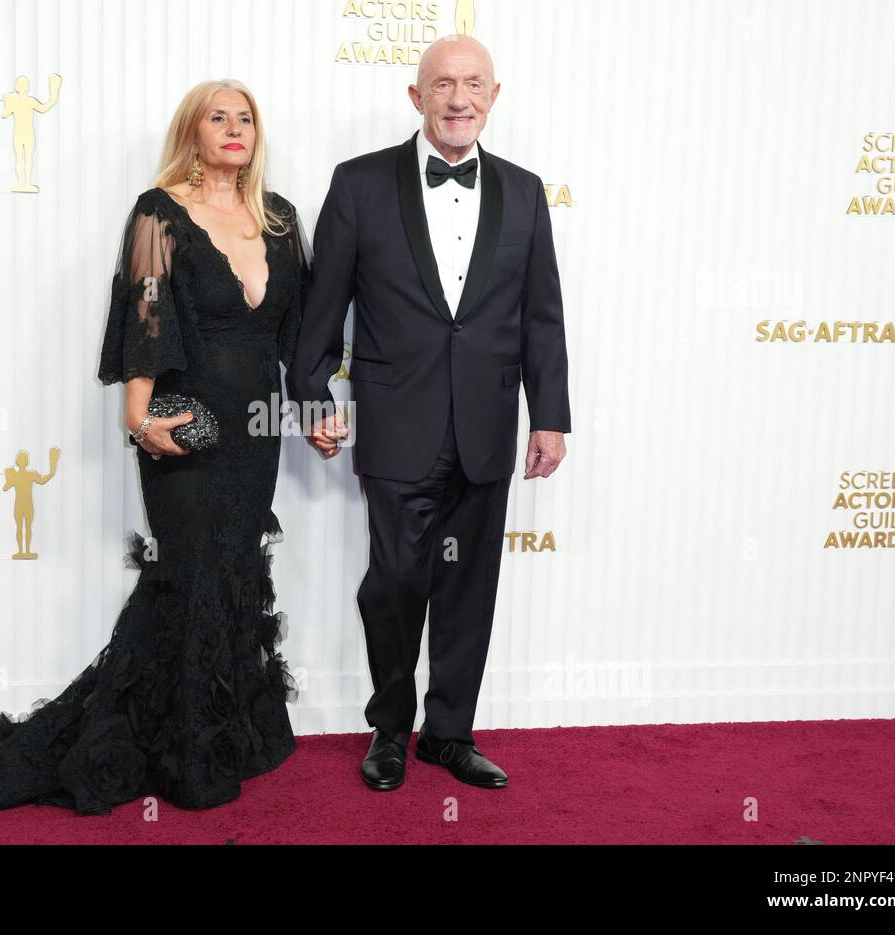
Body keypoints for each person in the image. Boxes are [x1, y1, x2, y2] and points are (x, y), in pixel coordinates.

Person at [0, 79, 309, 816]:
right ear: (190, 133)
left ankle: (222, 731)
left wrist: (319, 405)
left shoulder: (277, 218)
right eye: (216, 117)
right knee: (189, 576)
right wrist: (137, 414)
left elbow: (300, 330)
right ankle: (185, 752)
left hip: (257, 429)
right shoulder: (158, 212)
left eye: (245, 117)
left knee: (233, 571)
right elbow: (146, 308)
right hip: (183, 423)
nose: (233, 128)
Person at [285, 35, 571, 792]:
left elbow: (541, 315)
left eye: (473, 83)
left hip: (485, 426)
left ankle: (450, 733)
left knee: (470, 587)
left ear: (494, 95)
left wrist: (550, 414)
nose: (458, 98)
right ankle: (389, 726)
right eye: (442, 83)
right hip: (396, 419)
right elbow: (324, 311)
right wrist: (314, 393)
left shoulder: (525, 191)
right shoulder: (359, 184)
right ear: (416, 97)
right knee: (396, 582)